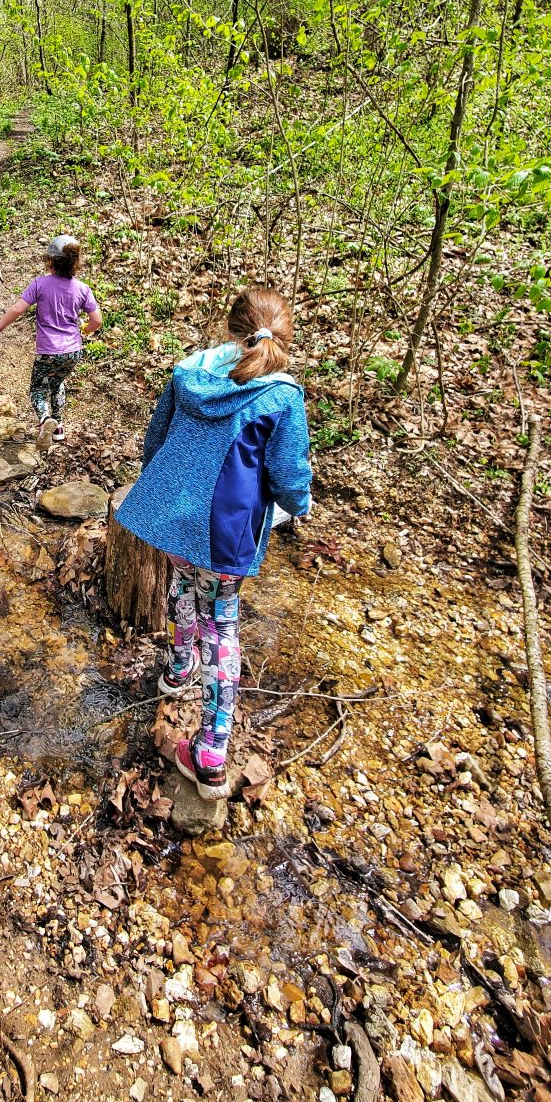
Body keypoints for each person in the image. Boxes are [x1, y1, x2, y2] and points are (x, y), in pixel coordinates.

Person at [115, 285, 312, 800]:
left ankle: (180, 666)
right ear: (282, 340)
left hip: (177, 516)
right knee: (222, 620)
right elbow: (288, 473)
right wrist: (302, 504)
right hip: (227, 529)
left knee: (182, 585)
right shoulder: (281, 395)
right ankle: (211, 751)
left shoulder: (190, 374)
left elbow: (155, 441)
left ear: (229, 331)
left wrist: (159, 487)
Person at [0, 234, 103, 449]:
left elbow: (17, 309)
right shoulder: (82, 289)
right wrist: (85, 330)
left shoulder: (40, 284)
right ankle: (58, 427)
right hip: (72, 351)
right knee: (57, 383)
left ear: (50, 261)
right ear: (75, 264)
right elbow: (97, 320)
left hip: (48, 351)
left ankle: (44, 421)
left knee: (37, 389)